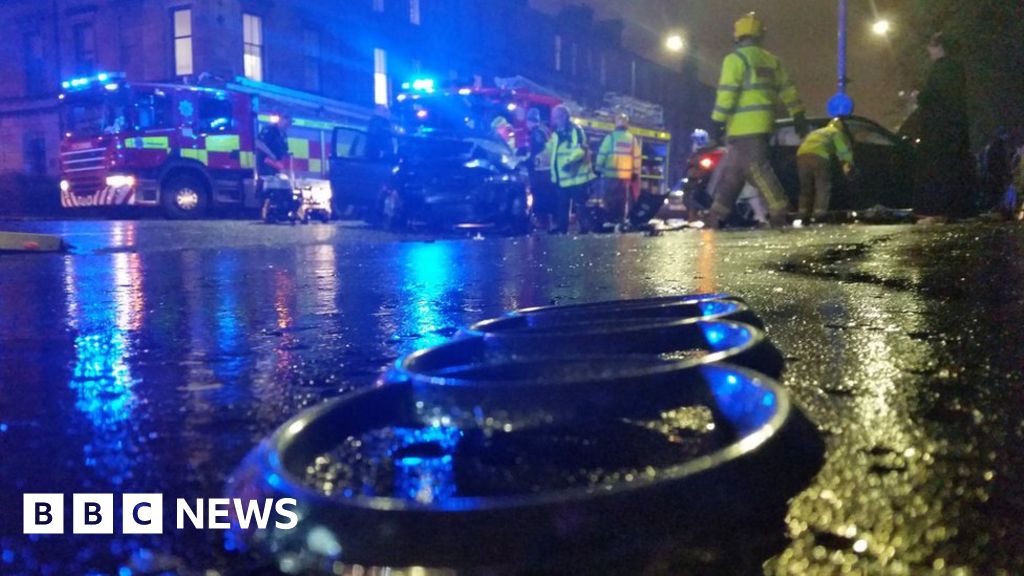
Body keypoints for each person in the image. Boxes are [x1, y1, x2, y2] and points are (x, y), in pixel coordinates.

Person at [705, 12, 808, 229]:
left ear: (738, 35)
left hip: (743, 128)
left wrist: (717, 122)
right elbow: (788, 89)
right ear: (760, 35)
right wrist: (797, 113)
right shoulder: (772, 61)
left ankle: (780, 213)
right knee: (733, 175)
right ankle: (716, 217)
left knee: (757, 169)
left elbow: (727, 94)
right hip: (763, 126)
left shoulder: (735, 59)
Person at [909, 32, 975, 219]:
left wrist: (918, 96)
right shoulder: (956, 68)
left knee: (938, 170)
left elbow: (933, 96)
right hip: (955, 129)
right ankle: (958, 208)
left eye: (931, 46)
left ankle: (936, 209)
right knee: (955, 169)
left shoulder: (942, 69)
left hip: (940, 131)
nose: (928, 50)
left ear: (940, 47)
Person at [547, 104, 597, 234]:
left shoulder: (575, 130)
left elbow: (580, 149)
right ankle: (562, 230)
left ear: (564, 116)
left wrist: (569, 162)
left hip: (576, 177)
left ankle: (585, 230)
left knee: (580, 205)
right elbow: (549, 151)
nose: (554, 120)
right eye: (553, 117)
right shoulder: (556, 134)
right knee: (562, 207)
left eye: (556, 117)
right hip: (562, 179)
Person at [796, 117, 855, 222]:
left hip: (801, 156)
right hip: (819, 157)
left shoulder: (817, 132)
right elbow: (843, 151)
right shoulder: (836, 132)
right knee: (822, 187)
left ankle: (802, 214)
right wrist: (848, 164)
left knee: (805, 188)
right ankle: (819, 214)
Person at [595, 113, 642, 227]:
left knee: (609, 199)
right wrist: (635, 172)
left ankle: (609, 221)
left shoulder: (610, 138)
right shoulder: (632, 139)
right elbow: (637, 157)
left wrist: (598, 168)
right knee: (621, 200)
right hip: (625, 177)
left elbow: (602, 154)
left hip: (610, 175)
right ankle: (620, 221)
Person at [255, 114, 292, 219]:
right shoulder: (269, 130)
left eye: (290, 123)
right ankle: (266, 213)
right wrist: (271, 154)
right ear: (281, 120)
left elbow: (284, 149)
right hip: (266, 163)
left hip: (277, 165)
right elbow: (259, 143)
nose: (288, 125)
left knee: (279, 188)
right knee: (268, 188)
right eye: (287, 122)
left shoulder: (283, 134)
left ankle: (277, 212)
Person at [525, 108, 555, 232]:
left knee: (539, 197)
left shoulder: (536, 133)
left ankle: (542, 223)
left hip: (540, 170)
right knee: (546, 197)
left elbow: (537, 150)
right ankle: (547, 222)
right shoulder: (545, 130)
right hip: (547, 169)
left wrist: (527, 160)